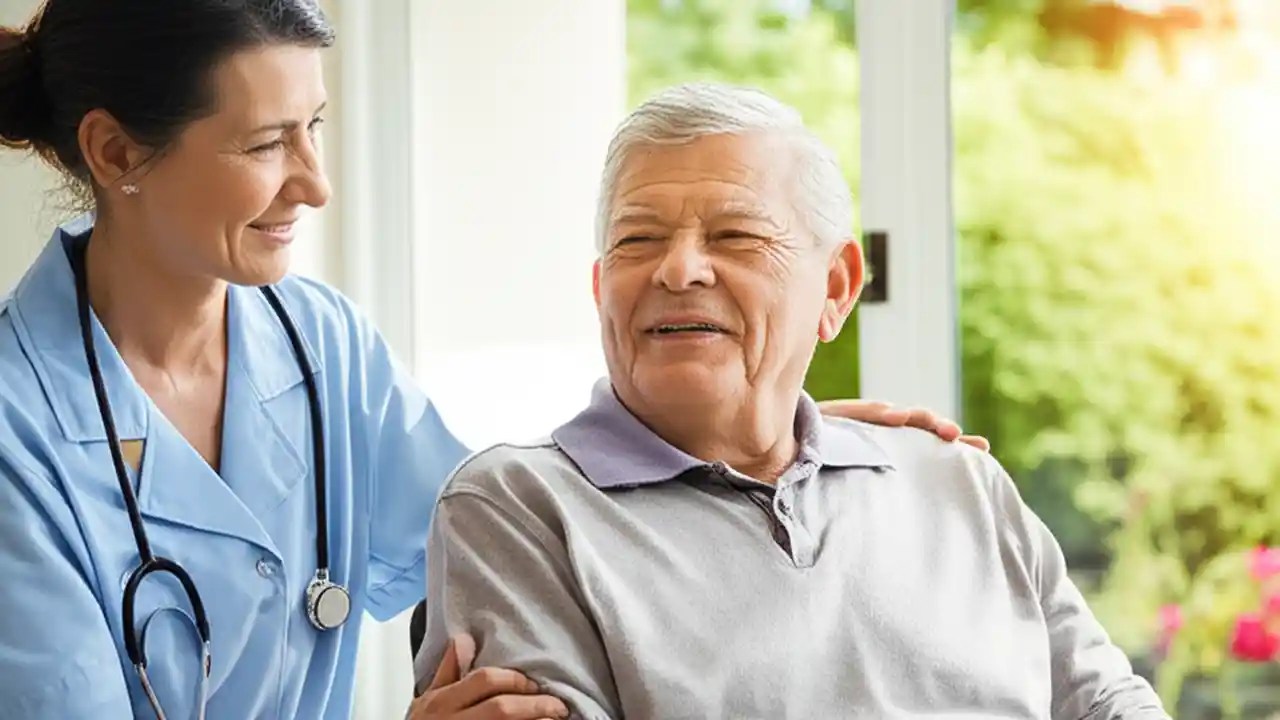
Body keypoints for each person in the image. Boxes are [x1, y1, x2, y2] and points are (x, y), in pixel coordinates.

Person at [0, 2, 986, 718]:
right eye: (266, 144)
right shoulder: (16, 429)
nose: (316, 183)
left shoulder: (315, 339)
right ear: (116, 155)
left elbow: (521, 518)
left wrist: (752, 433)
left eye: (316, 128)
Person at [413, 83, 1171, 719]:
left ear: (836, 288)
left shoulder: (958, 481)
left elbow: (1111, 705)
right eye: (637, 241)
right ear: (599, 286)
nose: (678, 270)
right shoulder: (518, 508)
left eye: (735, 236)